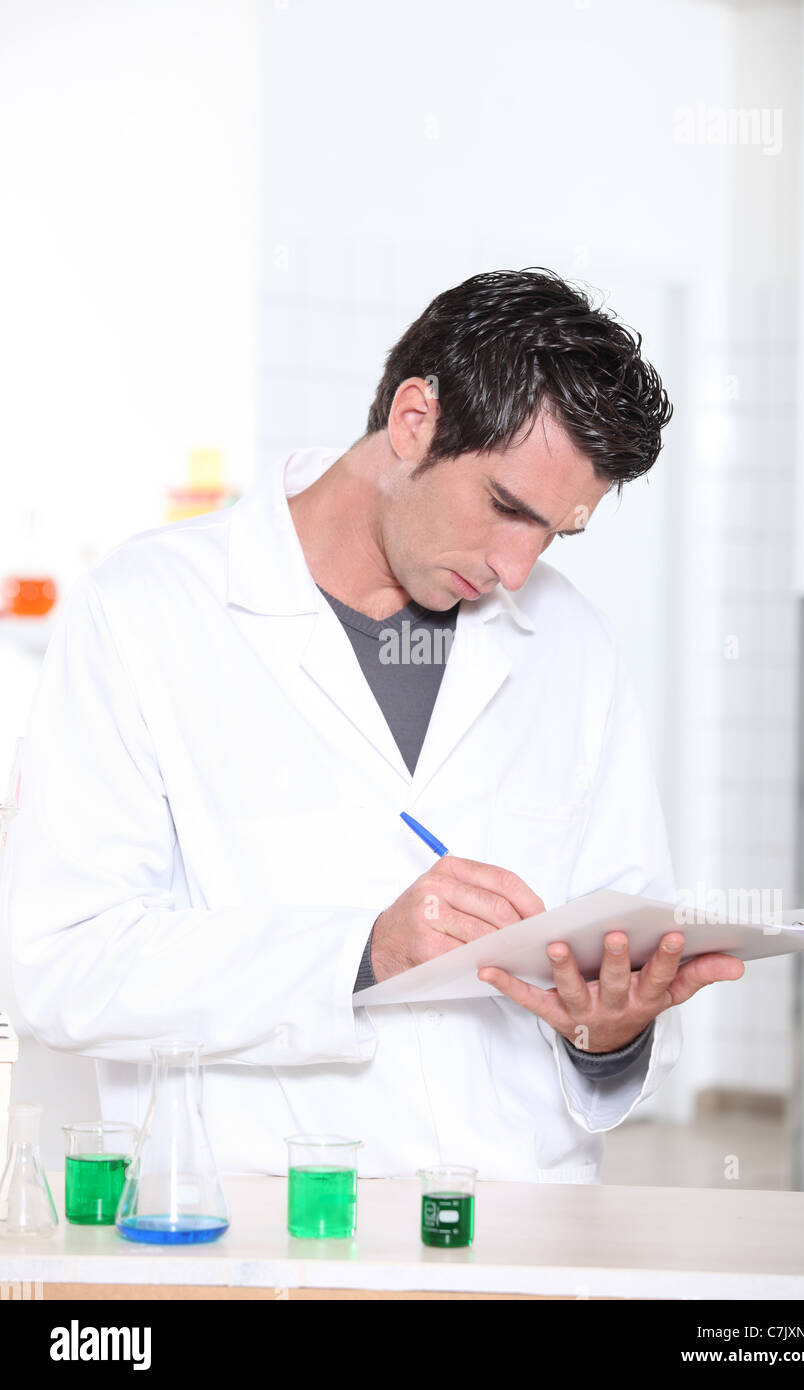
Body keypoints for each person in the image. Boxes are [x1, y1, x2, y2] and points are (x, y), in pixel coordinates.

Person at [5, 268, 744, 1180]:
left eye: (553, 533)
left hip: (522, 1234)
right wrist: (360, 951)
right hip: (269, 1224)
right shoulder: (147, 610)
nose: (519, 568)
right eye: (508, 508)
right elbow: (61, 965)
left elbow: (617, 944)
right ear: (412, 421)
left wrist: (611, 1037)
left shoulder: (570, 642)